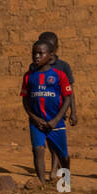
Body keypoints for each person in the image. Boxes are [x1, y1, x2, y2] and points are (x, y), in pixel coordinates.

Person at [21, 39, 73, 184]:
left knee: (63, 156)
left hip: (55, 122)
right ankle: (41, 184)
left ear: (50, 56)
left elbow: (67, 98)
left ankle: (66, 183)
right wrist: (34, 118)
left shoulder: (59, 75)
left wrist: (56, 119)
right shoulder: (28, 76)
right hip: (36, 123)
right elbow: (25, 100)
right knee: (38, 150)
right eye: (34, 53)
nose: (36, 56)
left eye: (40, 53)